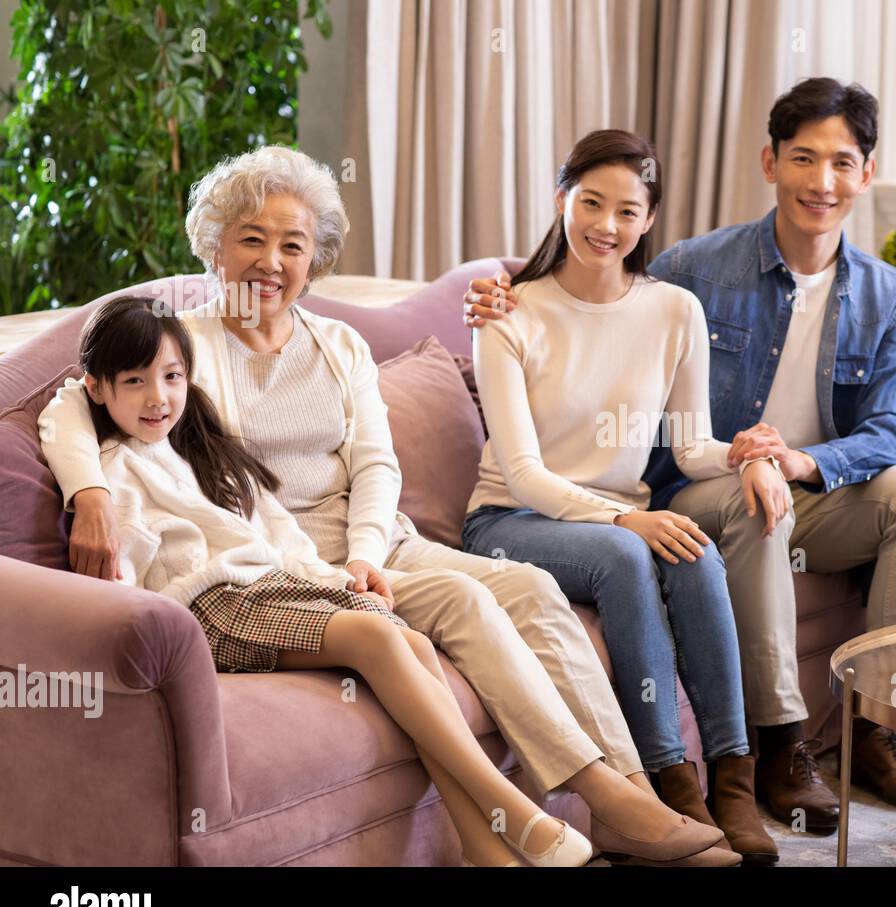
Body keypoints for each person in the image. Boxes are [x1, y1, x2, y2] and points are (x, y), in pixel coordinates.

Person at [39, 145, 726, 867]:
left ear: (316, 261)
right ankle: (604, 802)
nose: (271, 261)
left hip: (374, 540)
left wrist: (368, 553)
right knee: (464, 600)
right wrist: (89, 495)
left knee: (529, 587)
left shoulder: (338, 343)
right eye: (251, 239)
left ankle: (620, 790)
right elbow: (68, 401)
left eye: (292, 245)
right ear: (213, 247)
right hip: (281, 558)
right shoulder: (184, 347)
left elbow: (375, 462)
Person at [465, 79, 896, 827]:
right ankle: (755, 755)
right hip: (592, 508)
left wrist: (781, 458)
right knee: (730, 514)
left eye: (841, 163)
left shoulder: (883, 296)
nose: (821, 182)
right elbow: (582, 300)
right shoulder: (694, 271)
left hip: (792, 487)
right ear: (770, 161)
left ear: (867, 174)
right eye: (803, 158)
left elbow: (890, 431)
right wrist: (491, 294)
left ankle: (869, 731)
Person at [73, 296, 594, 866]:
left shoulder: (200, 446)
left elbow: (274, 529)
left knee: (407, 638)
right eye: (135, 381)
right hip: (210, 607)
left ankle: (480, 847)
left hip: (273, 585)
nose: (158, 397)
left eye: (171, 377)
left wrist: (332, 579)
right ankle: (515, 812)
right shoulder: (111, 471)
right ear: (98, 388)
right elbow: (121, 583)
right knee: (374, 639)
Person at [460, 129, 780, 866]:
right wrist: (625, 517)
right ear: (560, 199)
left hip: (611, 520)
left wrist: (747, 453)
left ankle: (732, 778)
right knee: (629, 554)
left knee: (689, 548)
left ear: (649, 221)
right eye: (590, 203)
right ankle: (671, 788)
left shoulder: (674, 311)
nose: (606, 225)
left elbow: (690, 447)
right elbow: (526, 471)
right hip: (510, 520)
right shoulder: (507, 316)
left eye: (627, 211)